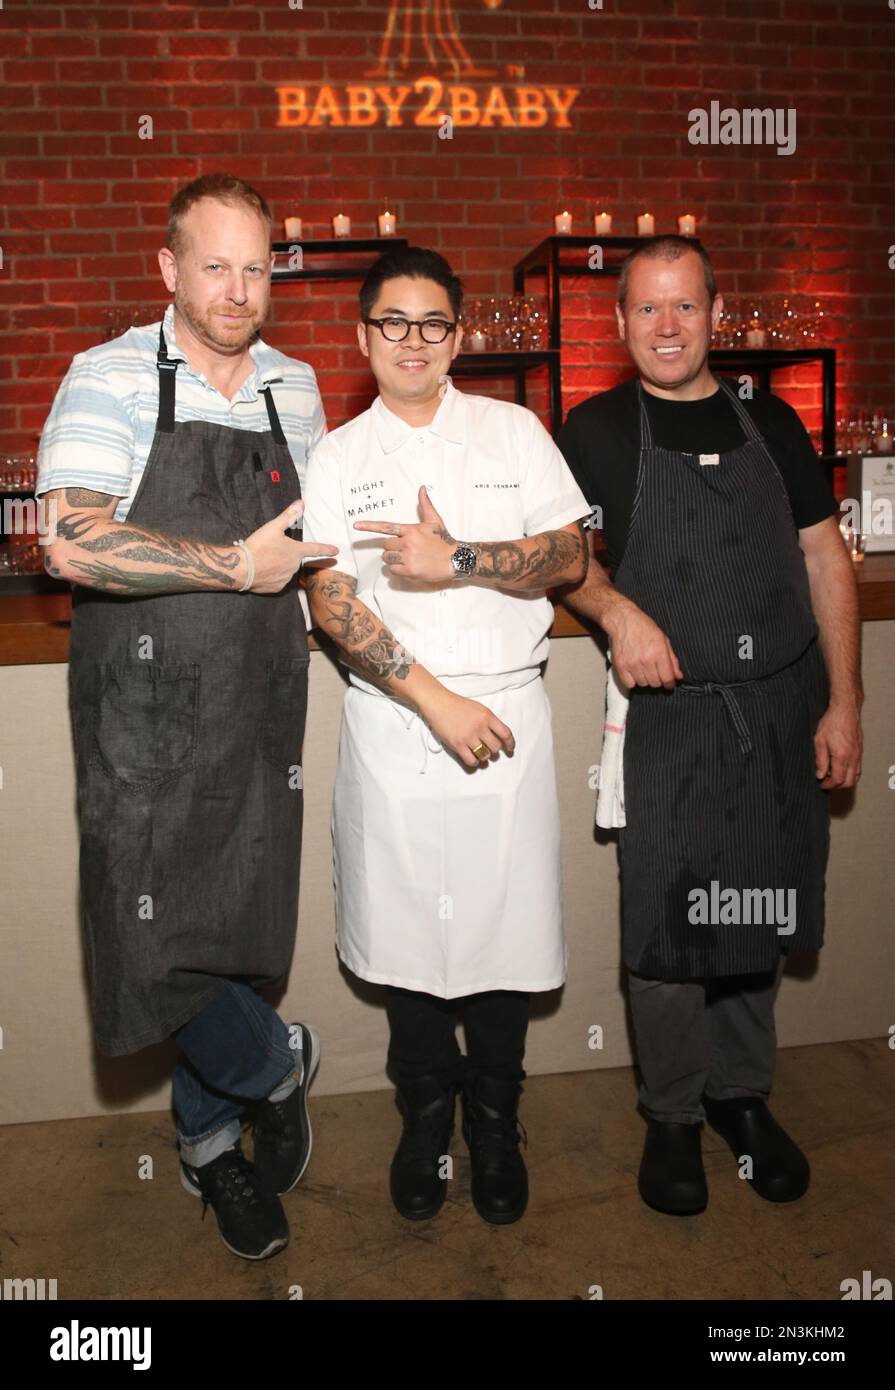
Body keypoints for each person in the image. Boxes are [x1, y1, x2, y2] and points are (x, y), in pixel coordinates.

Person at [37, 173, 338, 1261]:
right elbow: (69, 541)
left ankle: (215, 1154)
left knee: (243, 936)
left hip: (259, 705)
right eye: (215, 265)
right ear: (169, 268)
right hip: (144, 713)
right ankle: (274, 1061)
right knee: (147, 935)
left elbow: (307, 554)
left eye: (258, 267)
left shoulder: (294, 387)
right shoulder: (108, 375)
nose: (238, 288)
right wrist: (232, 564)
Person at [558, 235, 862, 1214]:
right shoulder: (594, 429)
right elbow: (560, 557)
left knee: (758, 913)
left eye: (684, 306)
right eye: (646, 308)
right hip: (670, 715)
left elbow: (826, 561)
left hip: (777, 705)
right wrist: (618, 610)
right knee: (666, 926)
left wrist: (845, 700)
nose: (666, 326)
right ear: (617, 324)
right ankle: (673, 1116)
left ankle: (742, 1099)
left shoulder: (772, 422)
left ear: (715, 315)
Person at [301, 246, 590, 1225]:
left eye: (432, 323)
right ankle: (425, 1116)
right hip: (397, 733)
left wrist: (456, 556)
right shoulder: (339, 456)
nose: (412, 340)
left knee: (504, 947)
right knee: (410, 951)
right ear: (363, 337)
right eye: (393, 322)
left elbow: (568, 552)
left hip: (508, 724)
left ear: (458, 336)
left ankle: (496, 1122)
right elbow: (331, 604)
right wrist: (435, 702)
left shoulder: (514, 433)